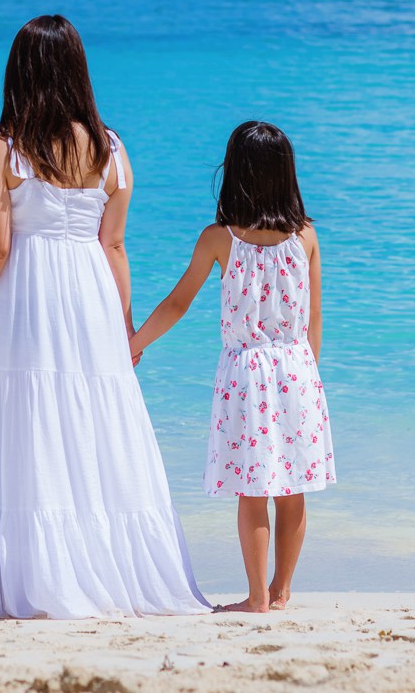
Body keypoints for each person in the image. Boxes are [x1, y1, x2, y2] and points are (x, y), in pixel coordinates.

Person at [0, 16, 208, 618]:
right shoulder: (112, 148)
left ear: (20, 73)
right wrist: (124, 325)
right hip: (91, 291)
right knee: (97, 423)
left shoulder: (3, 149)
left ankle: (44, 576)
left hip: (31, 296)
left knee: (33, 422)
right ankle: (113, 568)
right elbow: (114, 245)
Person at [129, 121, 332, 614]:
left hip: (246, 377)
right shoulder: (305, 236)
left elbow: (178, 303)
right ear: (287, 174)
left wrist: (135, 343)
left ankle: (257, 597)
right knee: (292, 487)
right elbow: (315, 318)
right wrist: (308, 378)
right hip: (297, 371)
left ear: (234, 173)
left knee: (252, 487)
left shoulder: (220, 238)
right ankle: (282, 592)